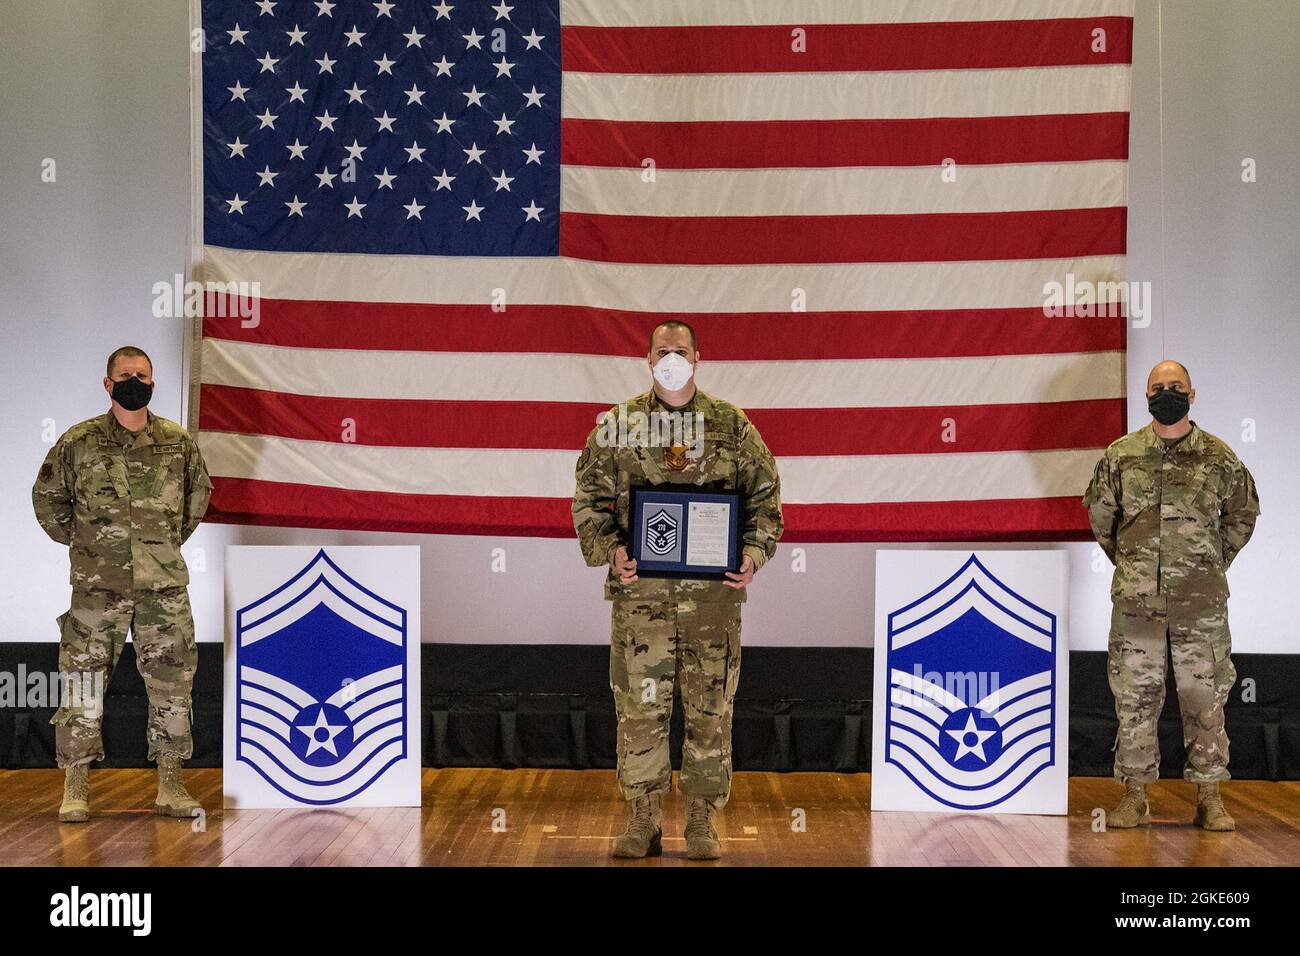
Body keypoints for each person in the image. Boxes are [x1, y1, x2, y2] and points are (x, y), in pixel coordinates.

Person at [572, 321, 783, 859]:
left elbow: (766, 503)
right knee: (640, 712)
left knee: (711, 709)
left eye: (680, 351)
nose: (672, 359)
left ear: (698, 357)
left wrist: (753, 556)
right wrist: (611, 551)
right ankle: (643, 818)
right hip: (641, 602)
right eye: (662, 351)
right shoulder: (617, 426)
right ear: (647, 360)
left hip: (712, 607)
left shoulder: (732, 427)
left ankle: (701, 820)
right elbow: (588, 504)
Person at [32, 346, 213, 822]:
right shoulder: (79, 442)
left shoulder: (177, 443)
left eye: (143, 374)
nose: (136, 380)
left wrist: (159, 547)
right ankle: (75, 788)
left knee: (173, 687)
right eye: (126, 374)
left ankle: (171, 787)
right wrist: (91, 547)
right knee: (83, 685)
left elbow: (197, 500)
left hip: (163, 590)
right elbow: (48, 499)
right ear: (108, 384)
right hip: (97, 591)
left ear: (153, 383)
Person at [1083, 360, 1259, 830]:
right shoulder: (1121, 456)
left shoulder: (1218, 458)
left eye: (1175, 386)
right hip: (1138, 606)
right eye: (1158, 387)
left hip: (1200, 606)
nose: (1167, 393)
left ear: (1192, 395)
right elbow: (1102, 519)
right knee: (1135, 698)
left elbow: (1243, 514)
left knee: (1205, 697)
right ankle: (1134, 797)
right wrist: (1136, 565)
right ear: (1146, 396)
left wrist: (1209, 562)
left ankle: (1210, 797)